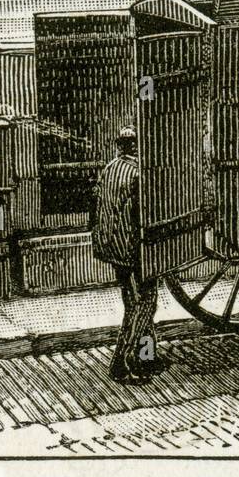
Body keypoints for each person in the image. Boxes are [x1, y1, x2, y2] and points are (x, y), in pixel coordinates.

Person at [91, 125, 166, 384]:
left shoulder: (109, 168)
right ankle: (122, 363)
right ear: (137, 146)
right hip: (133, 248)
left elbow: (98, 205)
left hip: (112, 246)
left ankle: (148, 355)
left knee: (132, 301)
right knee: (145, 302)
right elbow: (144, 215)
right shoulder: (138, 173)